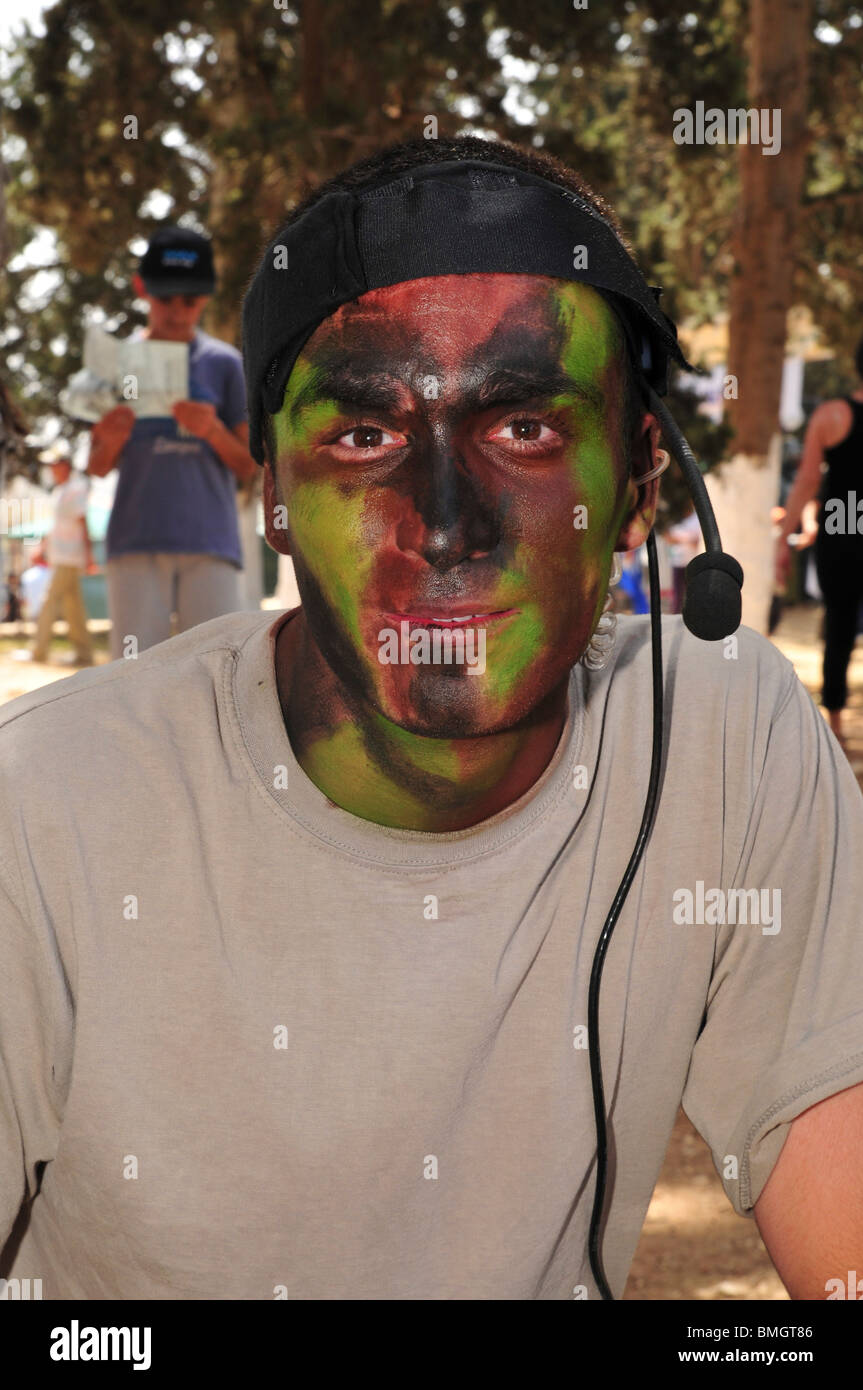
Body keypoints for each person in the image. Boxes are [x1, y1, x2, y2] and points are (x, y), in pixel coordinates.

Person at [2, 136, 863, 1303]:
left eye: (524, 429)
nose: (444, 524)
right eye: (362, 435)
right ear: (275, 500)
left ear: (640, 481)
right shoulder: (47, 805)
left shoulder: (723, 737)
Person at [87, 225, 258, 659]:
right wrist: (108, 440)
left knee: (213, 673)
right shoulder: (117, 362)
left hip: (210, 543)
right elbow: (97, 466)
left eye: (191, 299)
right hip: (135, 542)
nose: (178, 311)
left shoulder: (225, 364)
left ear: (208, 295)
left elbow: (249, 465)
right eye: (166, 298)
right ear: (141, 288)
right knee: (132, 674)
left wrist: (212, 431)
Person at [775, 337, 863, 743]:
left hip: (842, 529)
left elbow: (808, 479)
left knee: (839, 624)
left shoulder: (832, 414)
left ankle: (836, 726)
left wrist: (784, 535)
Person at [28, 450, 95, 666]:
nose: (51, 469)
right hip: (61, 556)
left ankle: (39, 651)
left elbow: (84, 522)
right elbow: (56, 526)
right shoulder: (60, 490)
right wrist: (43, 547)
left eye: (54, 464)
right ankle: (84, 654)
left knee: (49, 601)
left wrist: (89, 555)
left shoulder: (76, 488)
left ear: (65, 465)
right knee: (73, 608)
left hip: (70, 556)